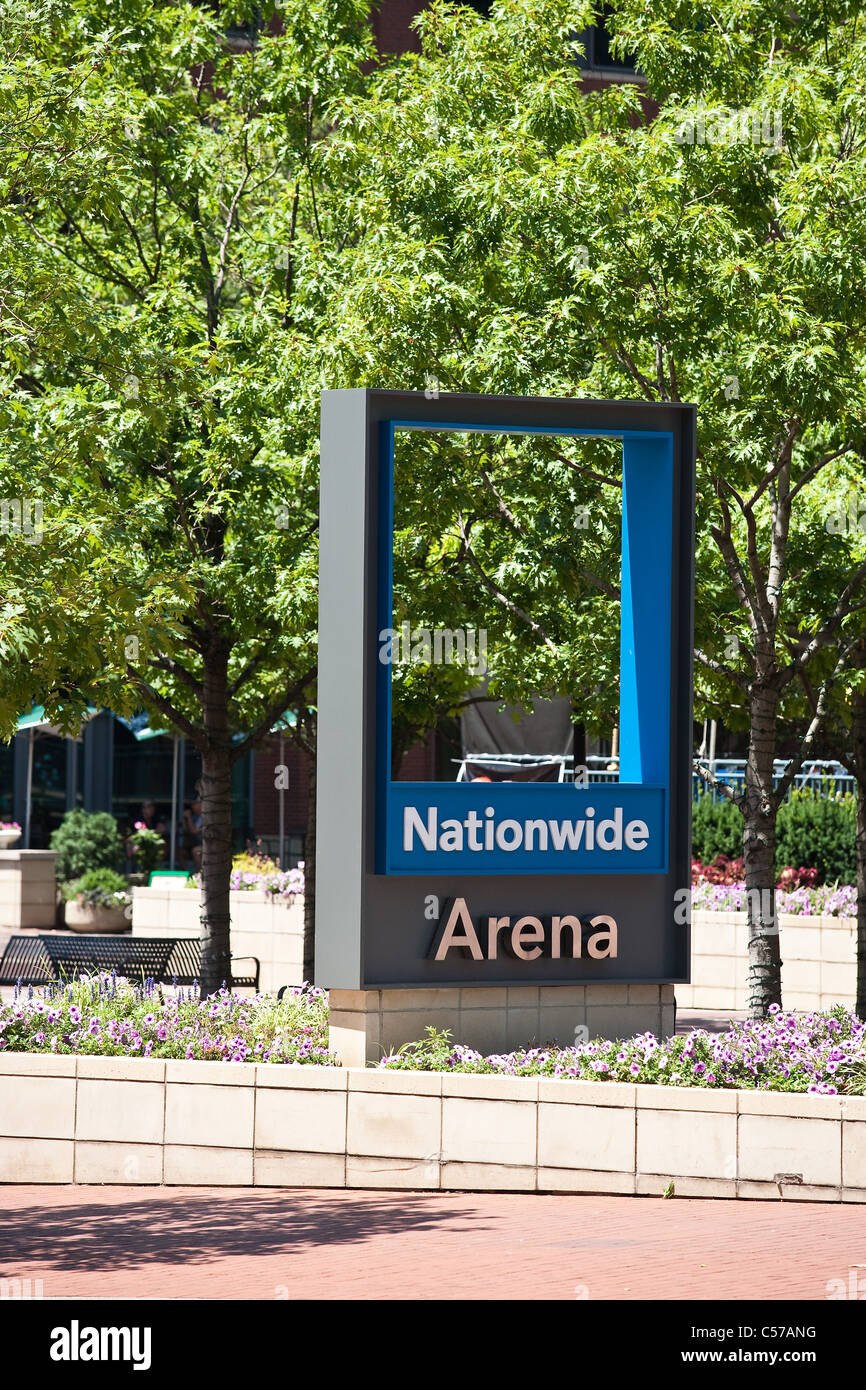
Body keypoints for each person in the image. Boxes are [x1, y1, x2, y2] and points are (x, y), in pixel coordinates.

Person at [182, 797, 203, 870]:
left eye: (195, 804)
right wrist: (185, 820)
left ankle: (200, 874)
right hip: (196, 843)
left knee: (195, 851)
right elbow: (186, 831)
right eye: (192, 805)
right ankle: (187, 873)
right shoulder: (196, 817)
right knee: (180, 851)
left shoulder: (205, 816)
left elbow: (194, 831)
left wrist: (189, 817)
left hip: (209, 845)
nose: (192, 807)